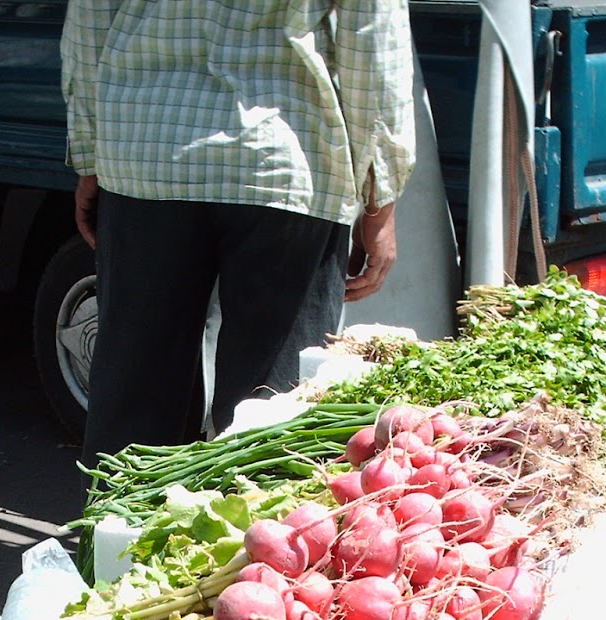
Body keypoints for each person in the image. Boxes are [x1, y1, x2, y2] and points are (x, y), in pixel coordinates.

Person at [62, 0, 417, 463]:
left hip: (146, 152)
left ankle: (117, 532)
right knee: (276, 412)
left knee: (133, 400)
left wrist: (89, 156)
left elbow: (87, 26)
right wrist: (380, 194)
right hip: (282, 159)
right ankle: (254, 531)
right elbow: (371, 42)